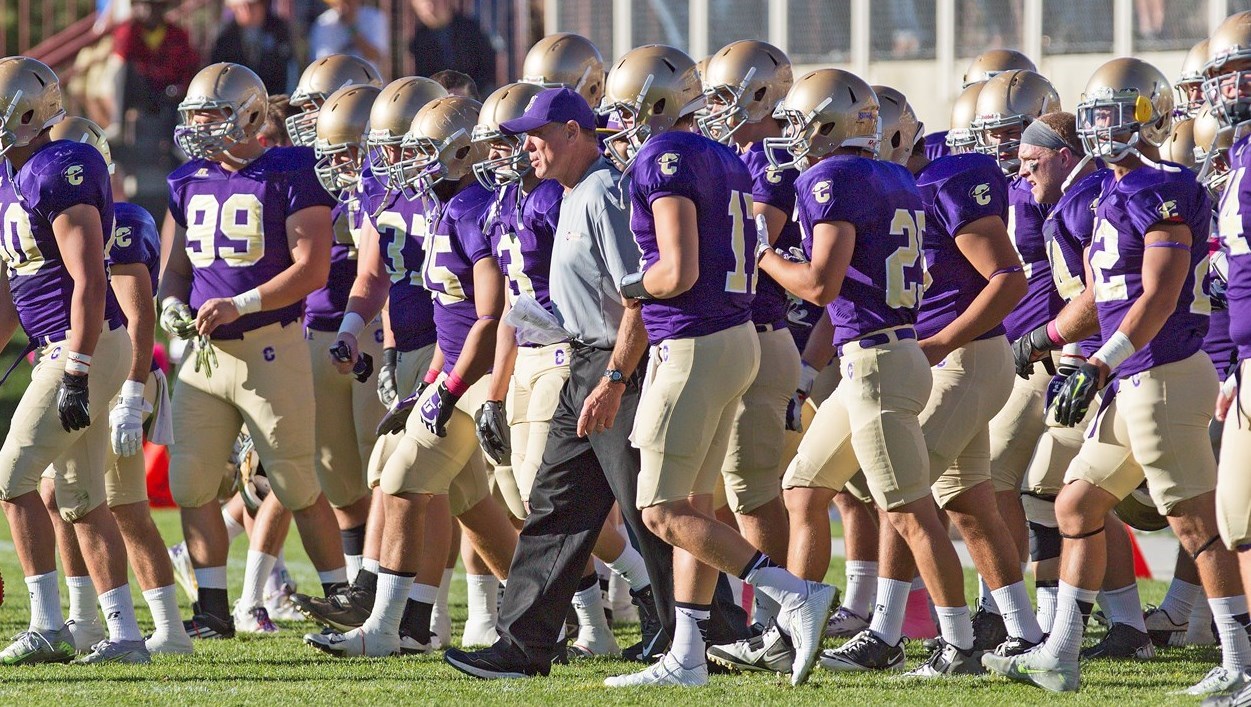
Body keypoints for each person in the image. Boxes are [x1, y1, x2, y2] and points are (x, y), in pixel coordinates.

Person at [984, 57, 1248, 698]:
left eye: (1116, 113)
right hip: (1133, 377)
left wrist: (1101, 362)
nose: (1103, 128)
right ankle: (1061, 653)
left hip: (1159, 373)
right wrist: (1074, 349)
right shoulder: (1108, 188)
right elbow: (1104, 292)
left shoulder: (1164, 184)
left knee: (1195, 525)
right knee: (1074, 503)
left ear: (1150, 114)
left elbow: (1157, 295)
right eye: (1095, 115)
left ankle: (1240, 662)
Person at [599, 45, 836, 689]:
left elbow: (676, 272)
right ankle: (688, 653)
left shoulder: (662, 159)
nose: (617, 125)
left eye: (624, 111)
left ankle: (794, 594)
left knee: (661, 512)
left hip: (693, 342)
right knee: (698, 504)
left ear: (656, 104)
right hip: (738, 336)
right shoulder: (726, 157)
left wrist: (632, 285)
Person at [441, 86, 677, 681]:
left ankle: (705, 635)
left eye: (538, 135)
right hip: (583, 362)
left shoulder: (603, 191)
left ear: (574, 131)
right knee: (555, 507)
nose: (529, 148)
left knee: (649, 509)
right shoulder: (570, 193)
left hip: (616, 367)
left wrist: (618, 377)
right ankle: (523, 647)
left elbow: (639, 294)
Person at [752, 68, 977, 678]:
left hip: (878, 362)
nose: (794, 134)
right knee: (803, 488)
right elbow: (847, 286)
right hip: (875, 356)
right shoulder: (895, 174)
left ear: (830, 120)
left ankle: (959, 644)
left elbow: (820, 285)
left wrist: (764, 256)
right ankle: (790, 623)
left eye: (800, 121)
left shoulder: (830, 178)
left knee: (909, 511)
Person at [305, 95, 518, 657]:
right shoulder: (434, 201)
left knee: (535, 500)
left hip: (492, 367)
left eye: (413, 148)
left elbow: (491, 315)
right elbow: (392, 282)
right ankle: (402, 620)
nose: (395, 161)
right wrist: (405, 355)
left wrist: (449, 381)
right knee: (450, 492)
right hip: (447, 360)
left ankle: (616, 603)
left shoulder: (476, 207)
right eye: (392, 148)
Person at [159, 62, 349, 639]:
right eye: (194, 114)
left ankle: (343, 597)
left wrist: (240, 304)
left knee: (293, 481)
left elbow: (312, 268)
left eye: (212, 113)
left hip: (271, 347)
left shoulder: (291, 169)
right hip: (203, 355)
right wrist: (169, 305)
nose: (200, 126)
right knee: (191, 482)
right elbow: (174, 269)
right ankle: (212, 610)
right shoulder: (187, 178)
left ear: (247, 113)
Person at [291, 76, 449, 646]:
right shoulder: (380, 188)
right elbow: (377, 276)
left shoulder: (454, 192)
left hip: (452, 351)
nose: (379, 162)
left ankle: (435, 613)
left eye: (387, 146)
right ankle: (404, 613)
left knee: (467, 498)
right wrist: (361, 334)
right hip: (408, 346)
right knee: (407, 481)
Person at [0, 57, 148, 666]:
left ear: (29, 114)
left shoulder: (61, 168)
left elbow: (89, 282)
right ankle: (126, 637)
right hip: (68, 344)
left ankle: (48, 624)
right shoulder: (13, 175)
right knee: (82, 499)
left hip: (82, 343)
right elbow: (12, 288)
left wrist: (78, 370)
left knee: (11, 478)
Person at [38, 116, 193, 656]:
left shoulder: (120, 220)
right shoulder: (49, 218)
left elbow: (135, 314)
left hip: (118, 374)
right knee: (104, 501)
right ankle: (141, 626)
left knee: (86, 498)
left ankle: (125, 623)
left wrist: (131, 394)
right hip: (98, 371)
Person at [696, 39, 799, 630]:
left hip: (760, 330)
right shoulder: (725, 154)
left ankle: (776, 619)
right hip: (735, 332)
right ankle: (728, 617)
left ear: (761, 94)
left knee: (752, 487)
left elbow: (750, 243)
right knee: (714, 487)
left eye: (722, 95)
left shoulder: (775, 161)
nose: (711, 108)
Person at [111, 0, 198, 130]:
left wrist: (181, 87)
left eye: (154, 6)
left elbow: (188, 66)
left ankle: (180, 137)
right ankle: (118, 125)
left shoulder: (177, 35)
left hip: (168, 90)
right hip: (143, 89)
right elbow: (122, 55)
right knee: (122, 71)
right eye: (144, 5)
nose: (149, 11)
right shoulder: (130, 31)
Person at [210, 0, 297, 96]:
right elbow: (217, 72)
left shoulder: (279, 30)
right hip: (236, 100)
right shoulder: (225, 36)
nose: (246, 10)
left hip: (275, 99)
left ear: (262, 5)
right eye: (240, 7)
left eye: (251, 5)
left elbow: (290, 67)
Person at [409, 0, 497, 93]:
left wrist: (467, 89)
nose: (430, 9)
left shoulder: (470, 29)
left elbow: (487, 67)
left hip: (475, 96)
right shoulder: (419, 40)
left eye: (434, 2)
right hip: (436, 101)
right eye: (424, 5)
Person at [309, 0, 388, 68]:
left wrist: (351, 27)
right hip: (337, 81)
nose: (344, 7)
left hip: (368, 80)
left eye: (348, 2)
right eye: (339, 3)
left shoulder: (373, 17)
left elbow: (375, 56)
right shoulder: (324, 23)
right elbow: (323, 63)